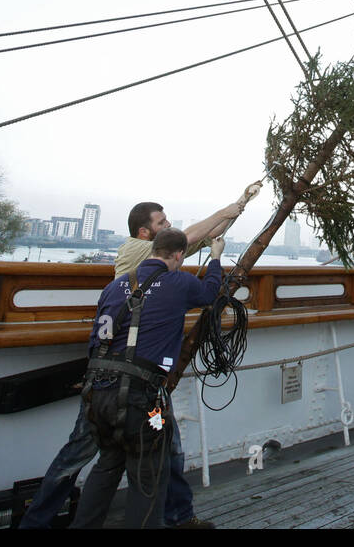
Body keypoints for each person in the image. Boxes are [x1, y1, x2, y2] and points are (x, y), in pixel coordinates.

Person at [20, 188, 257, 529]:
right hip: (139, 397)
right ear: (146, 233)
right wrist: (226, 216)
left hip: (104, 389)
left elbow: (190, 240)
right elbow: (195, 256)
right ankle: (36, 523)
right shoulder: (136, 251)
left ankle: (178, 515)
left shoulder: (119, 286)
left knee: (139, 454)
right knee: (118, 461)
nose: (169, 224)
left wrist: (234, 211)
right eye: (162, 221)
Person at [71, 227, 227, 528]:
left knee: (107, 465)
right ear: (179, 255)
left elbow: (96, 340)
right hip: (144, 402)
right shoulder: (178, 282)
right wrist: (216, 258)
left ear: (153, 249)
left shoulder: (115, 286)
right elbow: (209, 294)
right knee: (148, 474)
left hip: (98, 395)